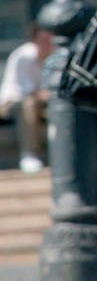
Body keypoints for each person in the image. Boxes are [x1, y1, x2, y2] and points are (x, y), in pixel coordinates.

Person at [0, 23, 54, 173]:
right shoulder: (24, 56)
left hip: (42, 102)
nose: (48, 44)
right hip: (12, 104)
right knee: (29, 105)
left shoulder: (55, 56)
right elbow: (28, 91)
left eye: (50, 40)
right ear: (34, 40)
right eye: (44, 40)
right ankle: (29, 154)